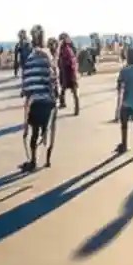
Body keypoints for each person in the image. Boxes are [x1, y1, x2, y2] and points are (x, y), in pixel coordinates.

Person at [20, 25, 58, 172]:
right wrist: (56, 94)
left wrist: (25, 92)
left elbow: (26, 81)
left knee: (34, 132)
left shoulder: (30, 58)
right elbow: (54, 78)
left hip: (34, 101)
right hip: (48, 100)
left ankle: (33, 161)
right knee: (49, 130)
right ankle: (48, 160)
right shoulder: (48, 57)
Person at [57, 33, 80, 116]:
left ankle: (63, 103)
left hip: (66, 72)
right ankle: (76, 108)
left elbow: (60, 60)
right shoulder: (71, 47)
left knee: (63, 88)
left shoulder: (64, 49)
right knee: (73, 90)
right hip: (71, 72)